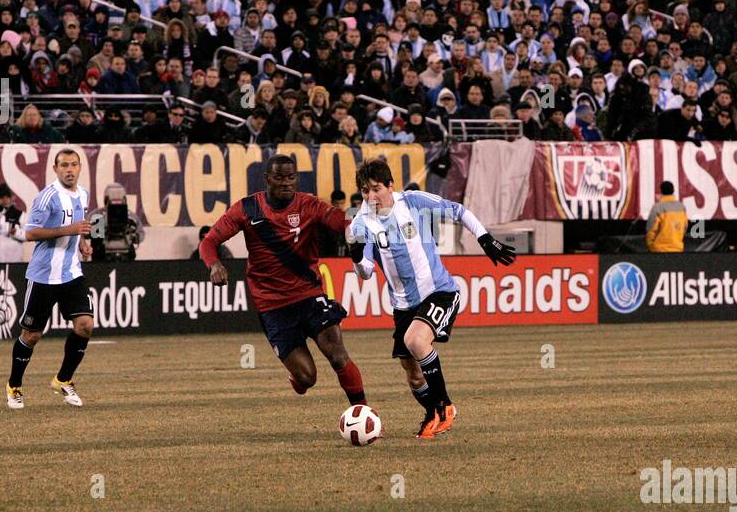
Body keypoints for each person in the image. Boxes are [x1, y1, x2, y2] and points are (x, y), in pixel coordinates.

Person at [348, 158, 517, 439]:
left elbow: (458, 211)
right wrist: (356, 256)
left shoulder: (413, 202)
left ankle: (445, 405)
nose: (370, 196)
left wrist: (485, 239)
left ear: (391, 185)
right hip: (403, 305)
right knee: (412, 373)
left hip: (439, 291)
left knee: (415, 340)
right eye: (365, 191)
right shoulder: (360, 223)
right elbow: (365, 273)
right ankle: (431, 414)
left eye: (376, 188)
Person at [200, 154, 368, 412]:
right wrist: (214, 264)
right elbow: (209, 242)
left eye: (291, 177)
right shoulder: (247, 209)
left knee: (337, 353)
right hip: (272, 305)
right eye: (279, 177)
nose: (286, 183)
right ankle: (297, 377)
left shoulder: (309, 205)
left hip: (309, 294)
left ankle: (363, 412)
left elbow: (340, 220)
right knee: (307, 377)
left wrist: (353, 229)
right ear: (267, 179)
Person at [7, 149, 94, 411]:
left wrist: (82, 243)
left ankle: (63, 379)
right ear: (55, 169)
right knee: (32, 335)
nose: (69, 169)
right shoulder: (47, 198)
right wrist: (69, 231)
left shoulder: (83, 194)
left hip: (71, 274)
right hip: (43, 276)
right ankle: (14, 386)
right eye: (64, 165)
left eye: (74, 165)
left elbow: (78, 227)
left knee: (85, 325)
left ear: (80, 168)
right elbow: (31, 233)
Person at [646, 181, 688, 253]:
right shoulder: (681, 207)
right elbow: (684, 227)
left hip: (659, 250)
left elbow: (651, 229)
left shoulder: (657, 207)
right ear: (673, 191)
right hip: (678, 249)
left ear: (661, 191)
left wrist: (650, 246)